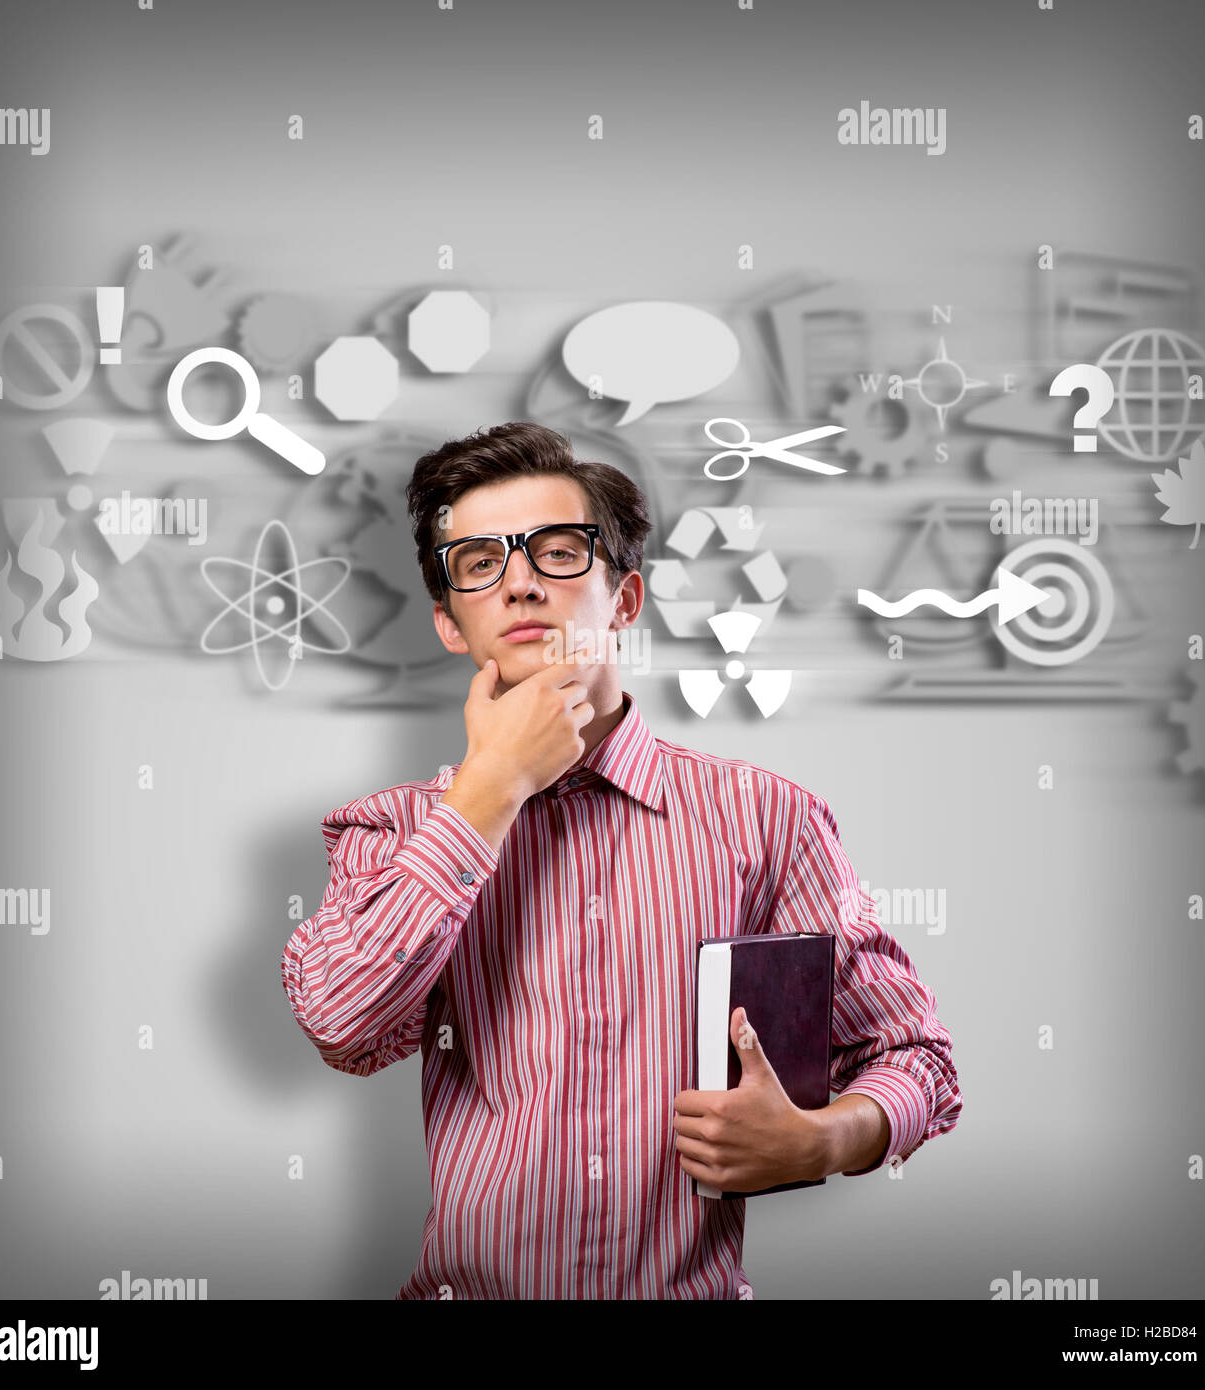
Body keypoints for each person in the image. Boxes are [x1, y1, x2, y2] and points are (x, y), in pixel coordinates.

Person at [280, 421, 963, 1299]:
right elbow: (344, 1025)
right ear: (450, 624)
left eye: (557, 552)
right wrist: (490, 790)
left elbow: (916, 1054)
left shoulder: (764, 819)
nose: (520, 582)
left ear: (625, 600)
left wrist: (826, 1139)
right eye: (480, 564)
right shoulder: (394, 829)